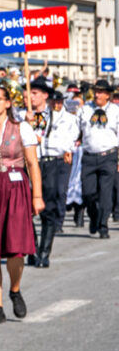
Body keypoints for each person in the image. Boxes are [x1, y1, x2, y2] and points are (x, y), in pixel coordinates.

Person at [0, 82, 41, 322]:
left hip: (16, 187)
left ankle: (15, 289)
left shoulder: (21, 127)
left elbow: (32, 163)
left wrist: (37, 196)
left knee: (16, 249)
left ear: (7, 103)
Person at [27, 77, 76, 268]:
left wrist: (42, 139)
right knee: (26, 210)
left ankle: (44, 252)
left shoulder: (58, 117)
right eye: (29, 93)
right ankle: (32, 248)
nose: (30, 97)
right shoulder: (24, 115)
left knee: (48, 209)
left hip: (50, 163)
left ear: (44, 96)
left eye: (34, 93)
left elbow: (64, 140)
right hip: (29, 164)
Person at [79, 81, 118, 238]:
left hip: (108, 156)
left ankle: (103, 225)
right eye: (96, 91)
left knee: (105, 194)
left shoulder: (115, 111)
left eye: (101, 92)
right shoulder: (85, 109)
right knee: (88, 193)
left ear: (108, 95)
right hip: (89, 156)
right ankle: (93, 216)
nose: (97, 95)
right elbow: (76, 129)